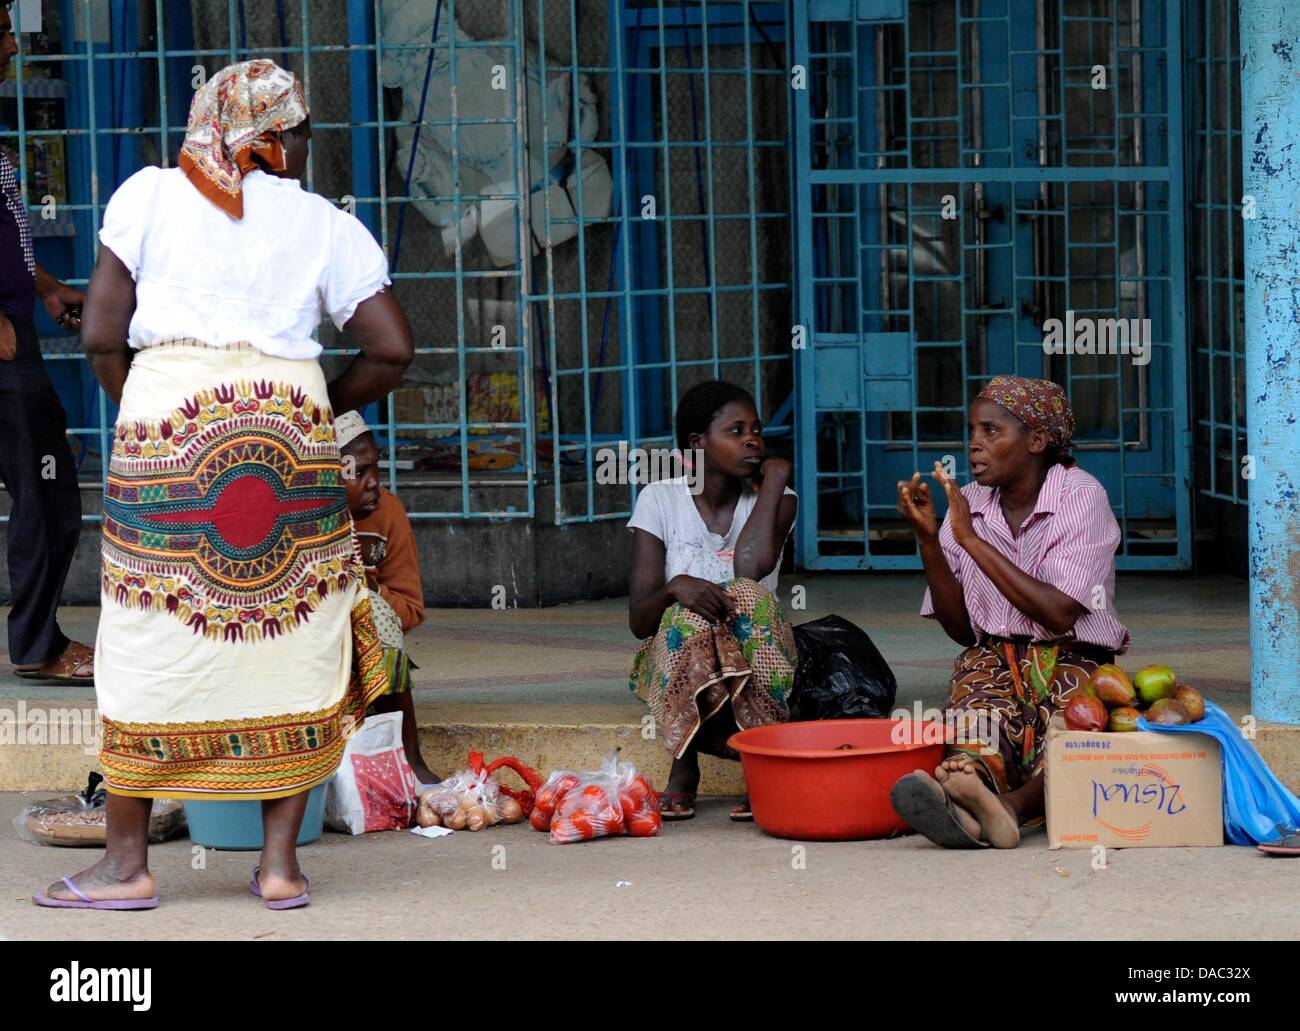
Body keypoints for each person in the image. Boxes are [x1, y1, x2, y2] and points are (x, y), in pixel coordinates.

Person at [32, 59, 413, 910]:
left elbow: (101, 332)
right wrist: (320, 408)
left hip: (170, 434)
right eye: (302, 134)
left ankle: (125, 866)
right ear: (270, 140)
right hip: (289, 436)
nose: (309, 150)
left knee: (145, 641)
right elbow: (391, 348)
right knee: (291, 640)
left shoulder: (149, 196)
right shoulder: (325, 224)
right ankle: (280, 866)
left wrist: (141, 409)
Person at [890, 375, 1130, 849]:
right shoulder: (972, 503)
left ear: (1037, 440)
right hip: (994, 658)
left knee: (1076, 726)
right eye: (972, 433)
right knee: (975, 711)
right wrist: (928, 539)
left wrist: (970, 541)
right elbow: (961, 631)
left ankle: (1007, 807)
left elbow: (1059, 614)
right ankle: (971, 798)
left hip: (1073, 655)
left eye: (991, 432)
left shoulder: (1080, 496)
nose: (974, 446)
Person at [627, 380, 798, 821]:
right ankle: (684, 767)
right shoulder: (659, 500)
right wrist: (674, 586)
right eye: (736, 431)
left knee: (743, 595)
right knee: (690, 615)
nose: (753, 441)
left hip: (758, 651)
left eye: (757, 430)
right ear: (697, 444)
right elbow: (640, 622)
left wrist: (776, 478)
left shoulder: (776, 499)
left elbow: (751, 567)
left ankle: (761, 767)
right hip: (678, 656)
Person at [0, 1, 94, 684]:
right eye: (0, 30)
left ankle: (38, 637)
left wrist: (45, 286)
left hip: (17, 327)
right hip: (5, 350)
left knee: (44, 487)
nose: (12, 43)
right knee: (46, 490)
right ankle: (37, 646)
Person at [335, 409, 438, 787]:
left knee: (374, 611)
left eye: (375, 467)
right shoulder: (298, 521)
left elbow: (410, 610)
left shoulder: (388, 513)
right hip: (308, 654)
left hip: (368, 655)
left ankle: (411, 757)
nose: (374, 482)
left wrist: (370, 588)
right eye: (357, 472)